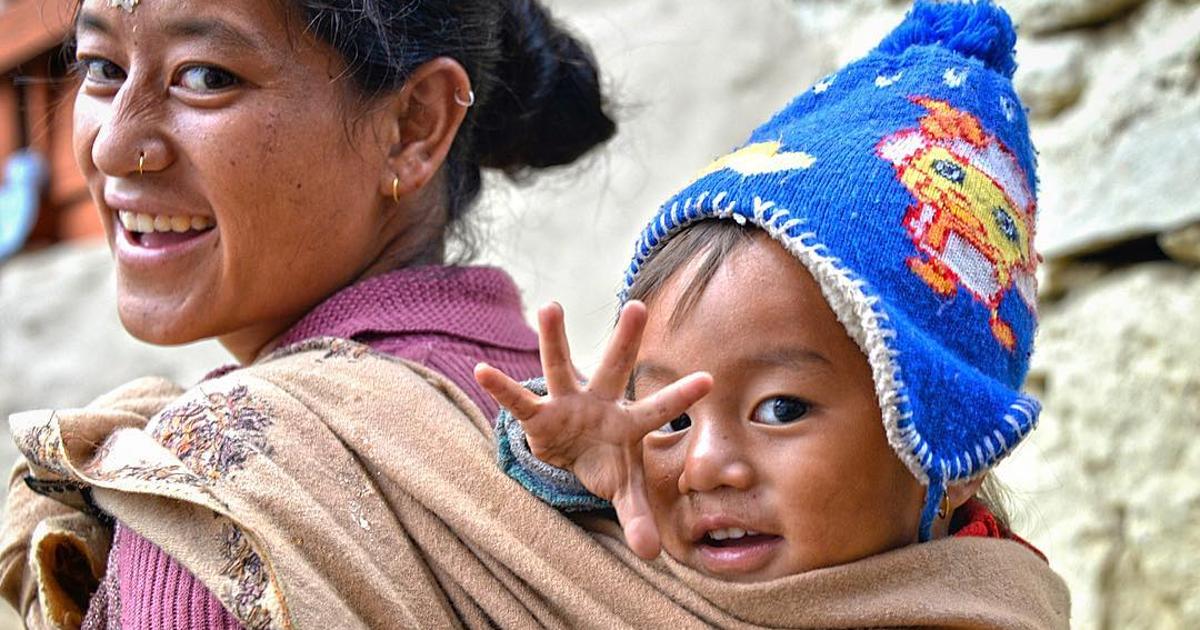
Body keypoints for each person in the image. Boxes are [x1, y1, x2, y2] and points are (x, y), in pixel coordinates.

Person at [0, 0, 613, 627]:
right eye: (102, 68)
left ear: (413, 126)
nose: (113, 146)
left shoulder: (217, 507)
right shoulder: (578, 421)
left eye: (207, 77)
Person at [477, 0, 1071, 620]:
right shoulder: (632, 582)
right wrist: (569, 468)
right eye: (672, 420)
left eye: (781, 409)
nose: (704, 467)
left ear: (952, 448)